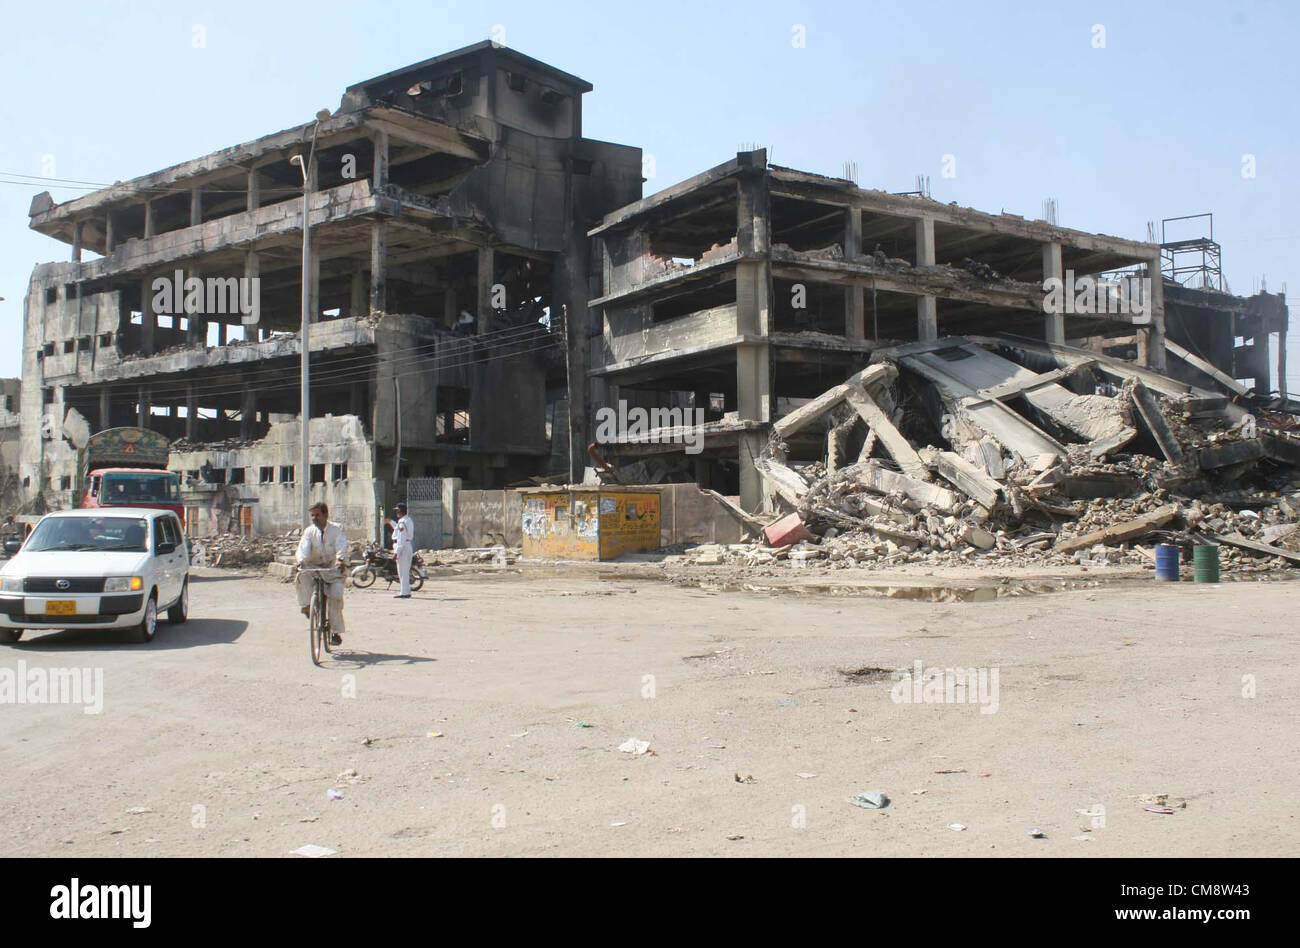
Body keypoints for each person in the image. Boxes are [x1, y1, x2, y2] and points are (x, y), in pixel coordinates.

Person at [295, 501, 348, 645]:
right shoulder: (309, 532)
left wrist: (340, 559)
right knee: (301, 575)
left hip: (332, 568)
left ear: (326, 515)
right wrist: (301, 560)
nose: (314, 518)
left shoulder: (337, 529)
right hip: (313, 567)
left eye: (317, 515)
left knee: (336, 596)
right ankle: (306, 606)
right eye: (312, 516)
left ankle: (335, 632)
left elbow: (341, 545)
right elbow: (303, 548)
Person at [385, 502, 415, 599]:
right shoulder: (407, 520)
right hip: (406, 546)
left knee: (402, 571)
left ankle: (404, 592)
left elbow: (401, 538)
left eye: (397, 510)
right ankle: (406, 591)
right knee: (404, 570)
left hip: (402, 547)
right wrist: (390, 522)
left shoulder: (402, 522)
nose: (396, 512)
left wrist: (396, 553)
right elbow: (398, 529)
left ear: (400, 511)